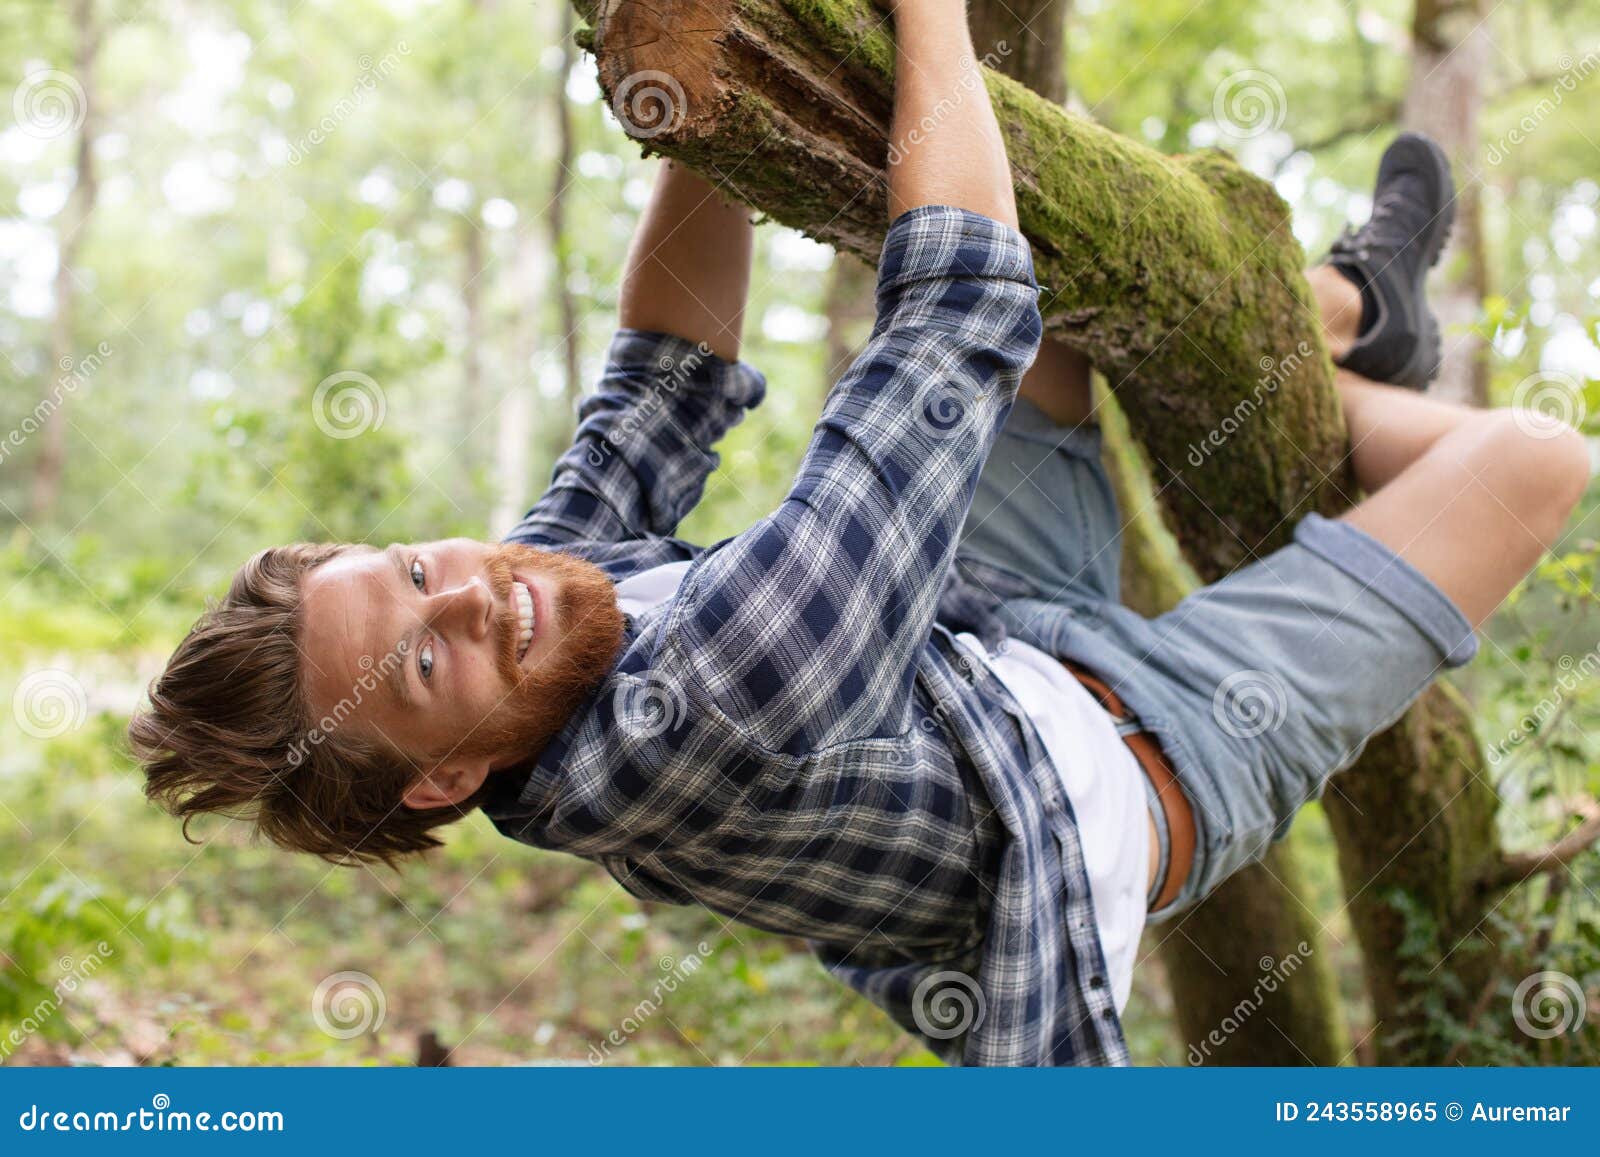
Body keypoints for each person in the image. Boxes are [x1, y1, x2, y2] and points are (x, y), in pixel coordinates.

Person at [128, 0, 1589, 1065]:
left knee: (1068, 277)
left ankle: (1339, 311)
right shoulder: (696, 705)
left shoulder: (518, 610)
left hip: (978, 632)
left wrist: (713, 101)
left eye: (412, 569)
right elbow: (948, 301)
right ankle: (1342, 341)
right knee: (1532, 458)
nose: (465, 602)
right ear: (449, 772)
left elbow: (659, 382)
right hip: (1130, 763)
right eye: (425, 663)